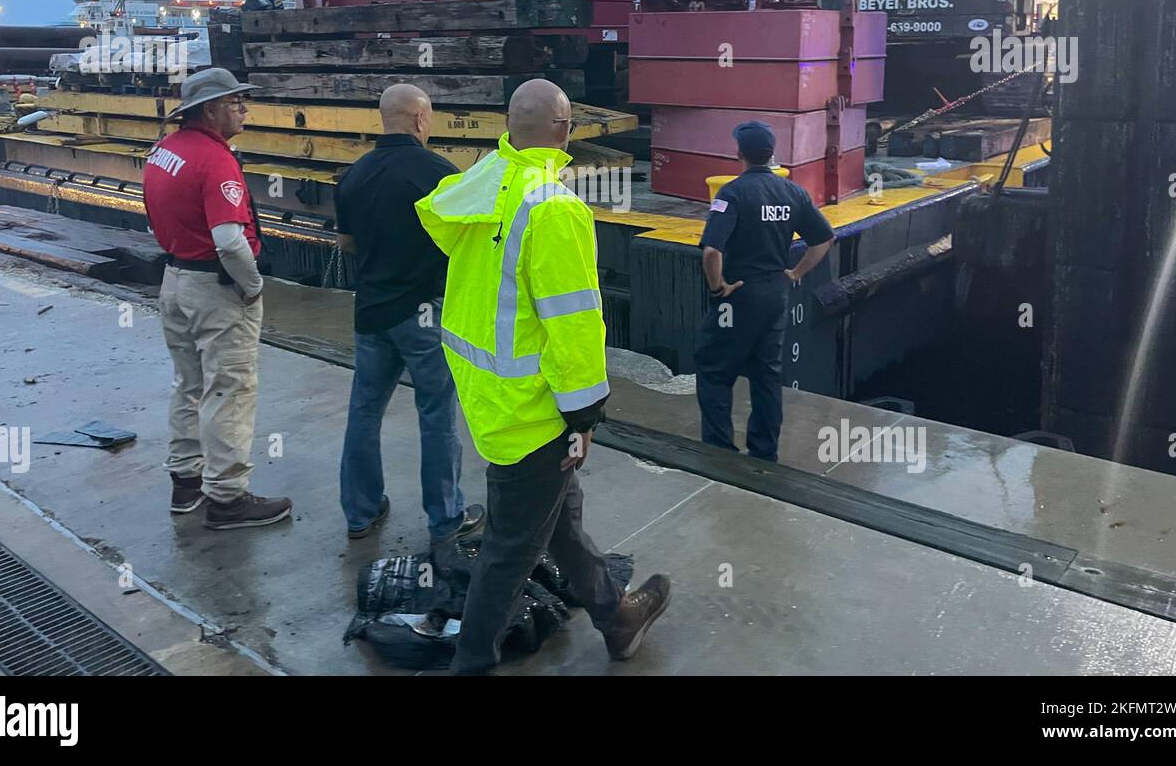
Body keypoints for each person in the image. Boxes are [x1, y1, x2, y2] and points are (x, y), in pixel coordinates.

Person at [416, 79, 670, 674]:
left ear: (510, 126)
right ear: (564, 132)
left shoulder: (481, 185)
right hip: (533, 412)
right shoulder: (554, 208)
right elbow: (574, 321)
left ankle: (617, 615)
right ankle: (471, 661)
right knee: (510, 549)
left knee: (559, 518)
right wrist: (583, 415)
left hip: (488, 396)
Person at [142, 67, 292, 530]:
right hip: (215, 287)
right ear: (210, 110)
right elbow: (229, 239)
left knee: (189, 383)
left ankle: (186, 482)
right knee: (229, 389)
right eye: (235, 103)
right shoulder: (216, 160)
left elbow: (154, 219)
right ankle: (228, 497)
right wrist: (252, 285)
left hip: (176, 279)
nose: (244, 109)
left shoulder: (162, 153)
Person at [334, 83, 484, 544]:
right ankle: (445, 518)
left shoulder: (353, 176)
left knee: (364, 410)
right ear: (420, 119)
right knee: (436, 412)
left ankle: (360, 513)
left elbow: (346, 244)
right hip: (422, 313)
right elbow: (464, 238)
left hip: (371, 311)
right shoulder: (436, 172)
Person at [695, 119, 835, 462]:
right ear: (771, 154)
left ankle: (719, 451)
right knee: (767, 375)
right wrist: (795, 272)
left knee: (714, 369)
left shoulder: (732, 192)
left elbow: (712, 250)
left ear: (738, 153)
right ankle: (764, 452)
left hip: (738, 296)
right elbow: (824, 238)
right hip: (775, 293)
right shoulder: (794, 192)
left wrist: (717, 288)